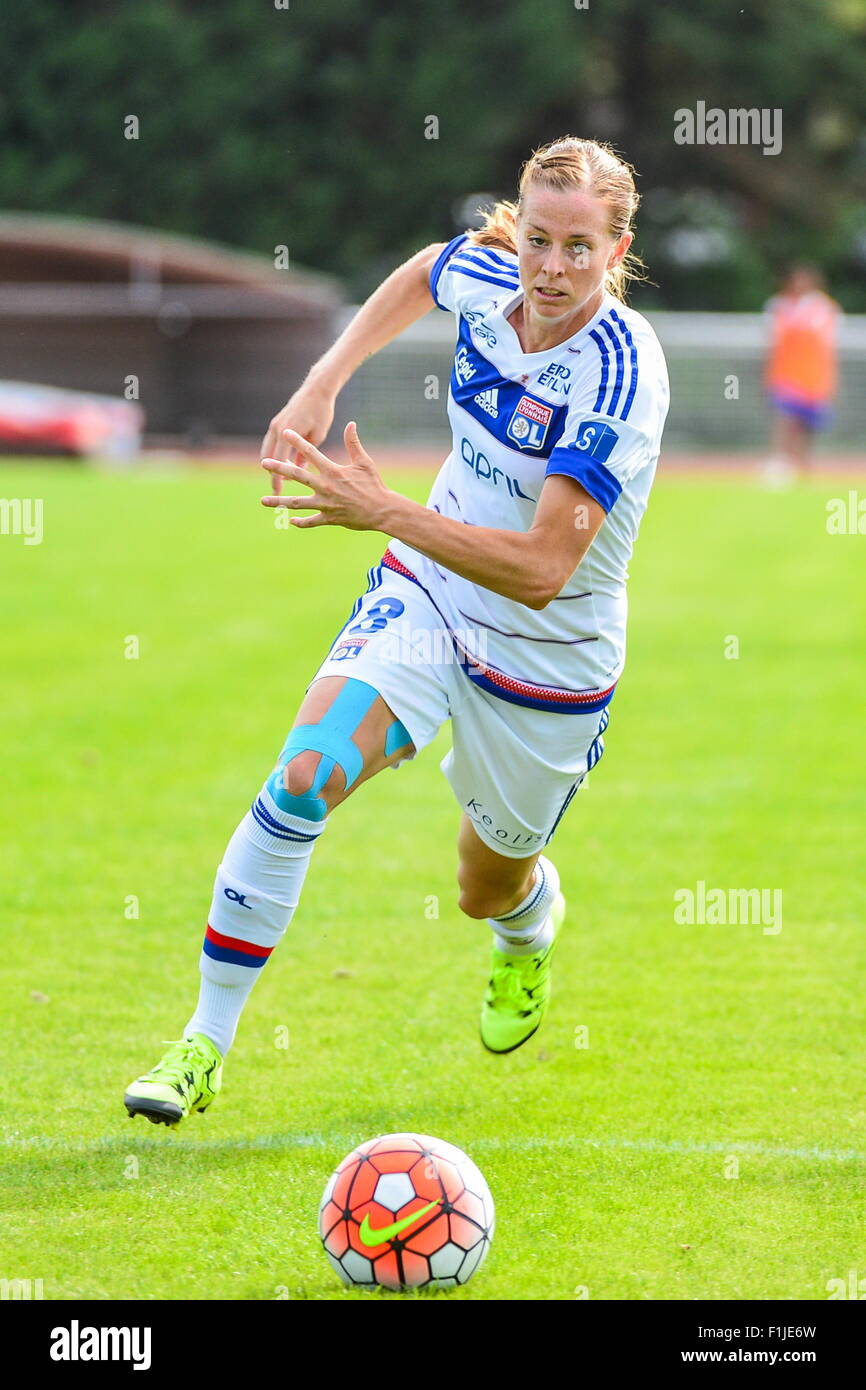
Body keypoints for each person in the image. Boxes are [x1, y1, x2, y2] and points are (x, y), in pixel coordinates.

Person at [124, 135, 670, 1126]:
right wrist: (322, 380)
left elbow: (545, 570)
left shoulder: (618, 376)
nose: (548, 268)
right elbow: (424, 271)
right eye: (536, 238)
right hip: (428, 593)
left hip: (547, 663)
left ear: (615, 246)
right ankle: (201, 1042)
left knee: (481, 883)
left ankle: (525, 922)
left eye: (576, 249)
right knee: (304, 772)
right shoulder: (486, 272)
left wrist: (383, 512)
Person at [763, 263, 841, 478]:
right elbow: (774, 342)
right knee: (784, 420)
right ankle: (780, 462)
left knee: (808, 427)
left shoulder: (823, 308)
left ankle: (803, 465)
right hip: (786, 376)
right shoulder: (779, 306)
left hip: (814, 379)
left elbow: (826, 346)